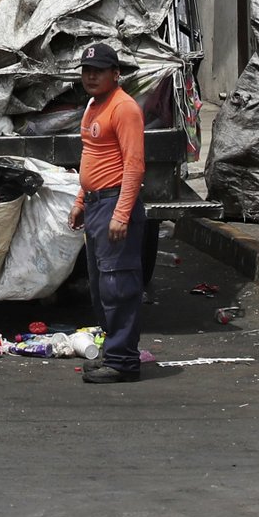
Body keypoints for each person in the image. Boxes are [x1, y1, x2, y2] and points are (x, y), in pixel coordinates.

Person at [70, 41, 148, 384]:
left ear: (115, 74)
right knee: (102, 288)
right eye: (86, 71)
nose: (90, 77)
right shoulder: (93, 105)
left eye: (98, 71)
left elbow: (134, 165)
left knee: (119, 287)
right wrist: (80, 201)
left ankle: (123, 362)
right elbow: (92, 158)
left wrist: (122, 214)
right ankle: (113, 353)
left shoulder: (124, 108)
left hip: (116, 204)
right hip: (97, 204)